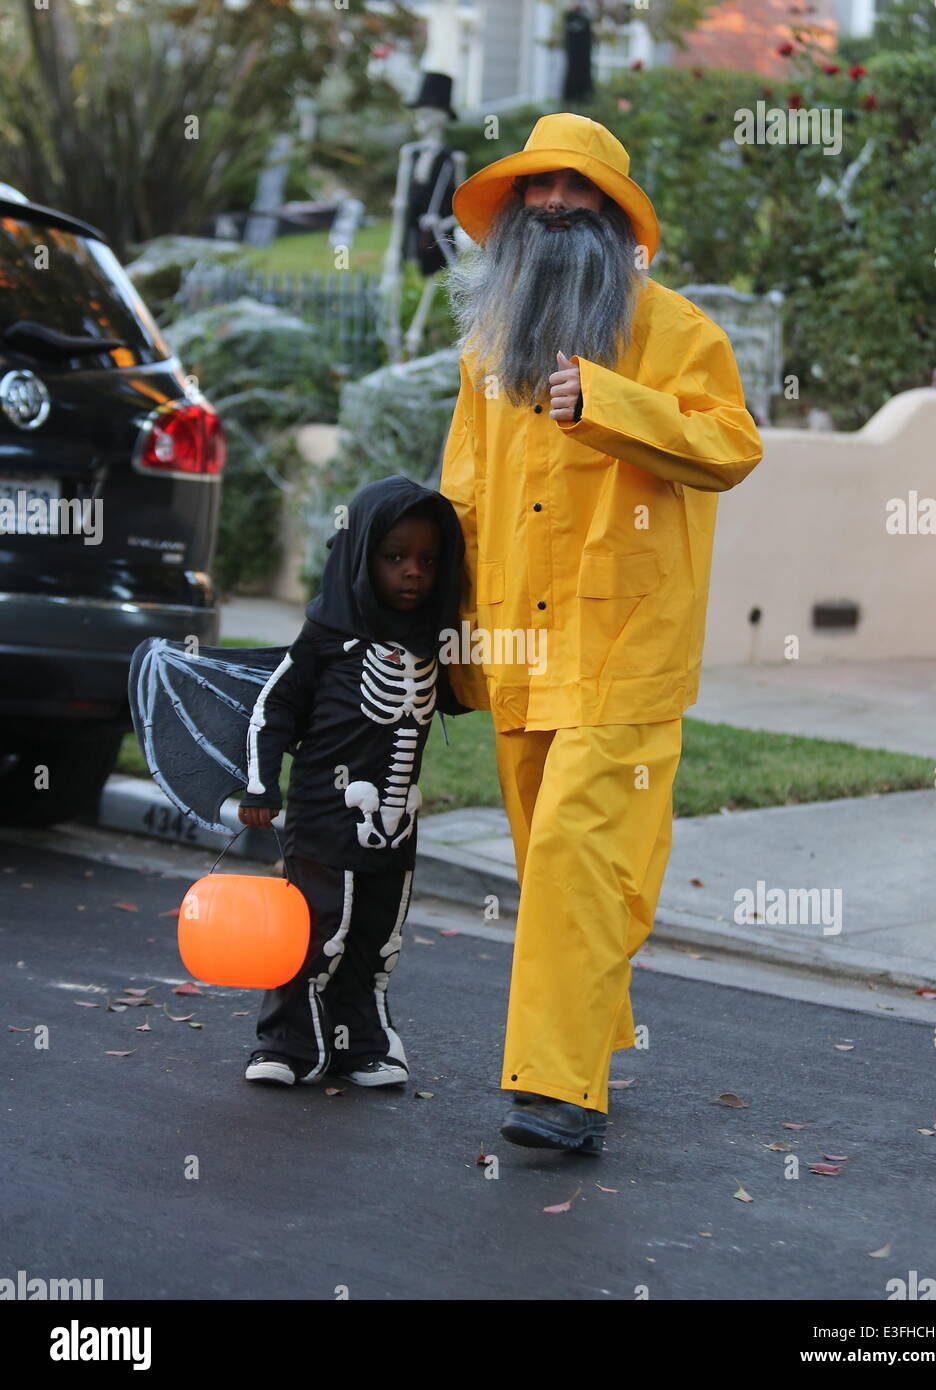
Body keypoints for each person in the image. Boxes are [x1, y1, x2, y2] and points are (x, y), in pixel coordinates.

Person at [441, 113, 764, 1154]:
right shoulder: (488, 346)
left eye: (575, 193)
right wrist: (446, 636)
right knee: (549, 862)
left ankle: (556, 1089)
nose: (551, 207)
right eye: (536, 191)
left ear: (615, 220)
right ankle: (590, 1030)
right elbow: (466, 493)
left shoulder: (675, 332)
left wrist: (613, 402)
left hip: (625, 652)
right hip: (521, 656)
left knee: (582, 856)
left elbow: (729, 445)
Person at [237, 475, 465, 1088]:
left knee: (375, 940)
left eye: (427, 560)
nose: (412, 573)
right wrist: (261, 787)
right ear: (360, 556)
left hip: (395, 827)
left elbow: (469, 694)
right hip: (322, 819)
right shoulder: (327, 635)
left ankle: (361, 1041)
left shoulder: (433, 643)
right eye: (394, 558)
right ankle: (284, 1044)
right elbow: (272, 708)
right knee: (314, 933)